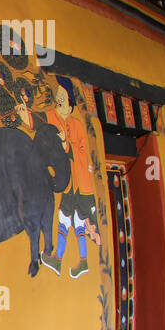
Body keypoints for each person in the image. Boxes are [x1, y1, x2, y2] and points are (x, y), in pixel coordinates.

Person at [39, 77, 98, 279]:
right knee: (71, 220)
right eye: (58, 95)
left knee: (73, 220)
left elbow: (82, 151)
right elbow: (37, 122)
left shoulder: (77, 125)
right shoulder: (51, 116)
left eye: (63, 95)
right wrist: (24, 116)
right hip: (69, 182)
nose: (59, 98)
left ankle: (64, 259)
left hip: (79, 181)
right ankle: (77, 261)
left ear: (70, 103)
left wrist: (67, 145)